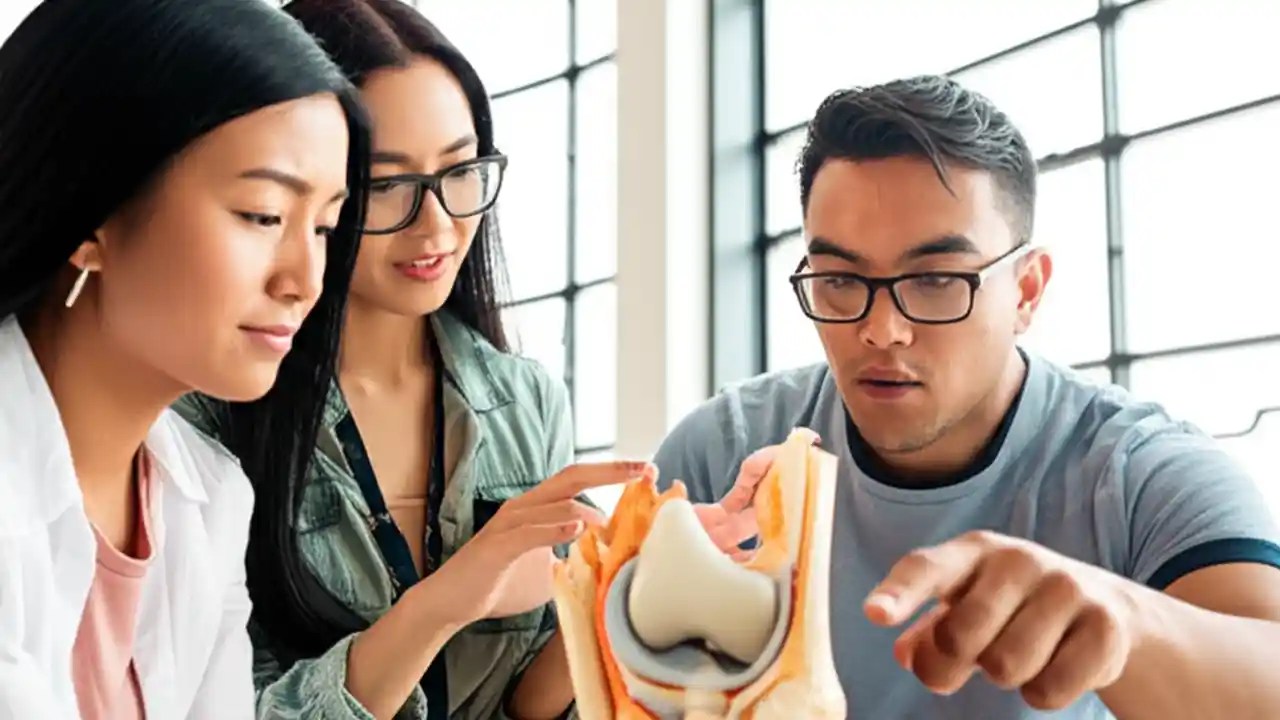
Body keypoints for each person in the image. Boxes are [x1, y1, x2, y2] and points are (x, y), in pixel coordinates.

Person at [656, 74, 1280, 719]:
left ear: (1027, 291)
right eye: (839, 278)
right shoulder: (723, 451)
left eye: (935, 280)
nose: (882, 330)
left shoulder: (1139, 473)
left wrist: (1128, 621)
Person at [175, 1, 647, 718]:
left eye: (461, 172)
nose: (438, 225)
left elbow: (530, 703)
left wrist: (623, 595)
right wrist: (446, 600)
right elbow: (214, 705)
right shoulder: (206, 410)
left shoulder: (527, 401)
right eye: (388, 185)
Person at [0, 0, 370, 718]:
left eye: (324, 226)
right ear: (91, 216)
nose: (305, 279)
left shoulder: (212, 500)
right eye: (263, 214)